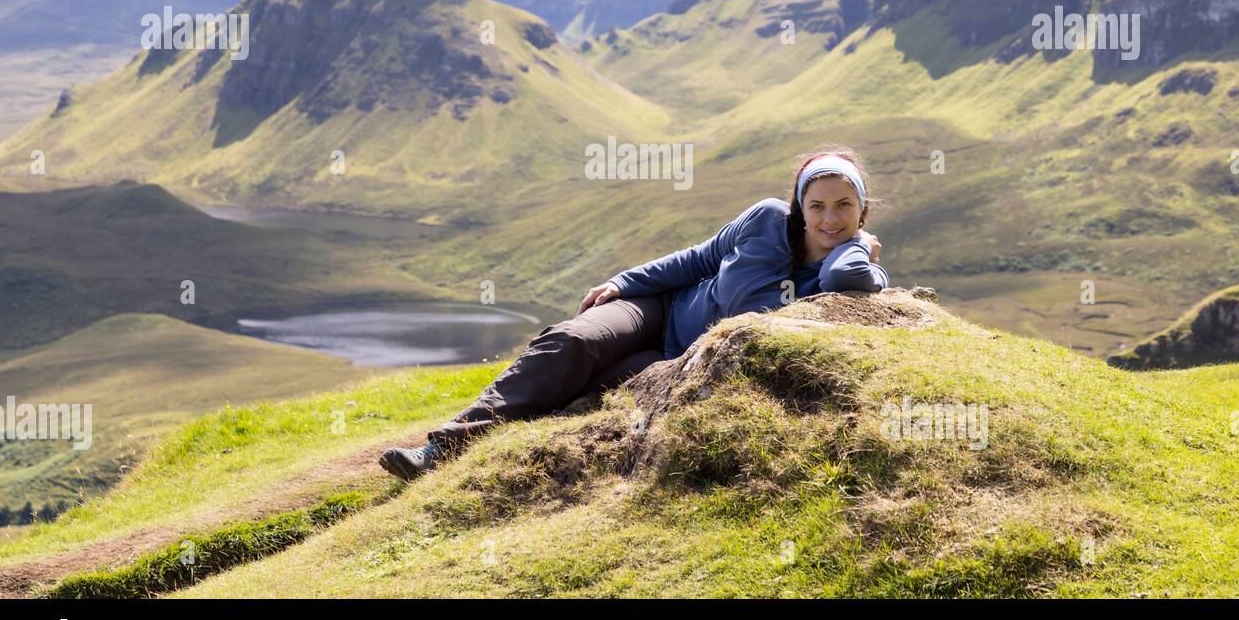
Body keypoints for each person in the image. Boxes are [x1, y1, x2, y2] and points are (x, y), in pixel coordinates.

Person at [377, 145, 889, 481]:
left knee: (590, 388)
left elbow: (845, 280)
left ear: (862, 210)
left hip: (679, 363)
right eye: (817, 205)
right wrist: (624, 282)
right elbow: (700, 258)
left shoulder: (853, 272)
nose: (829, 218)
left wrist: (856, 246)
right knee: (574, 343)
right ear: (800, 205)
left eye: (844, 206)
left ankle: (495, 442)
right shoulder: (766, 220)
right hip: (660, 310)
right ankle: (439, 452)